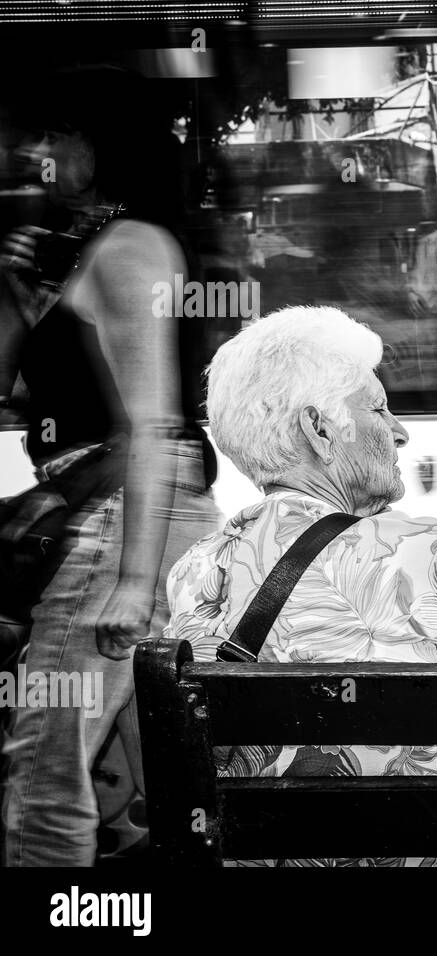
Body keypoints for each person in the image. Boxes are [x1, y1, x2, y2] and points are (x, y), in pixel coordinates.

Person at [167, 305, 437, 866]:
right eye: (378, 408)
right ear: (319, 430)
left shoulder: (195, 570)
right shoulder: (433, 547)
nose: (399, 431)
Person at [0, 67, 222, 866]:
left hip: (122, 524)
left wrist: (133, 580)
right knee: (157, 786)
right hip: (129, 521)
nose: (34, 151)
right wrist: (20, 297)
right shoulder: (70, 255)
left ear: (99, 146)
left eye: (54, 135)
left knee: (43, 776)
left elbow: (154, 425)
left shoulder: (131, 249)